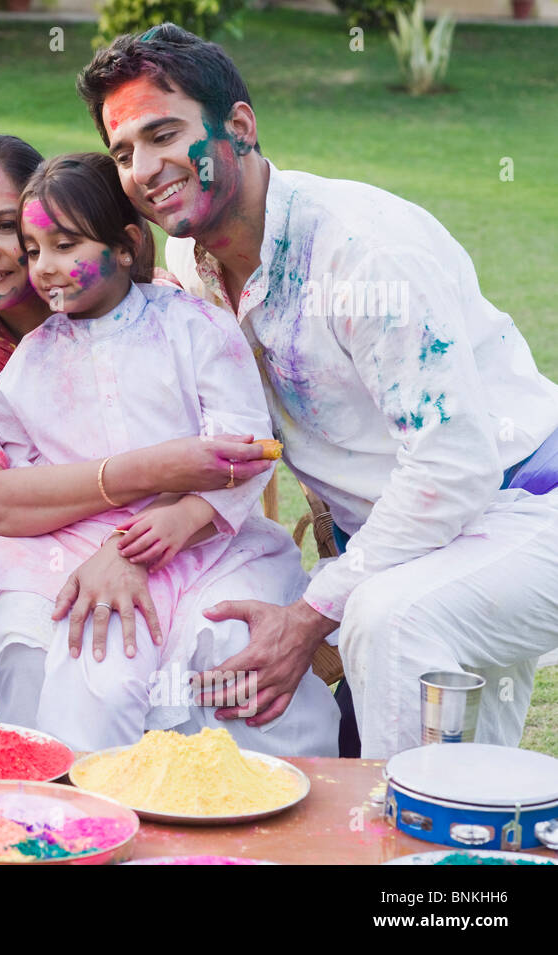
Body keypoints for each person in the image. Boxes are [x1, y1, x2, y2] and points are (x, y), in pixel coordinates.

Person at [79, 24, 558, 756]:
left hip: (520, 506)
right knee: (469, 785)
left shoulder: (365, 255)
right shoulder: (194, 254)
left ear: (239, 126)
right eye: (123, 152)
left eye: (164, 134)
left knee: (389, 620)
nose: (144, 169)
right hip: (419, 541)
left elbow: (451, 466)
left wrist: (310, 615)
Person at [0, 151, 339, 754]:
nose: (42, 267)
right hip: (76, 542)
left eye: (65, 246)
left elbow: (246, 448)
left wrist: (174, 520)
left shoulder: (192, 325)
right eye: (36, 249)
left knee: (113, 661)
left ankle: (138, 810)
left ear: (125, 246)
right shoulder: (24, 364)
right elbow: (23, 482)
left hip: (199, 540)